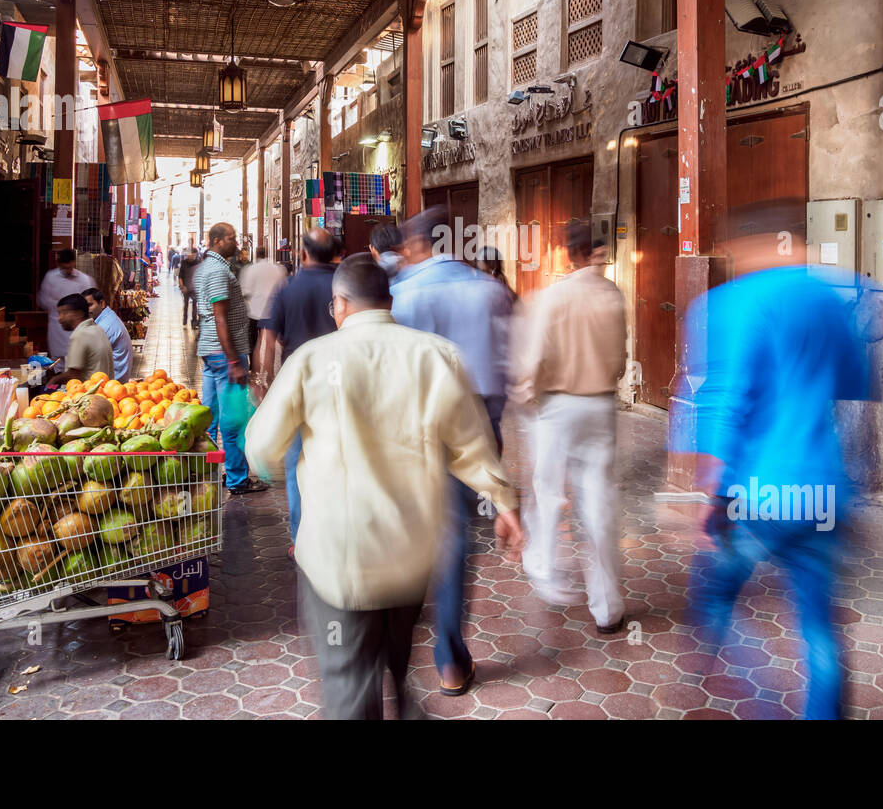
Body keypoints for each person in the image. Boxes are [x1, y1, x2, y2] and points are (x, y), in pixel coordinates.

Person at [245, 254, 524, 720]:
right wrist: (505, 502)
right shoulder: (437, 356)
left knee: (351, 686)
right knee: (399, 658)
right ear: (388, 301)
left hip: (340, 565)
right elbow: (472, 447)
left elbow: (260, 450)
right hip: (410, 559)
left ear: (339, 304)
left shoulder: (311, 360)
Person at [672, 199, 870, 720]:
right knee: (819, 627)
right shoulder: (830, 296)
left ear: (748, 244)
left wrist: (712, 495)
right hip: (822, 487)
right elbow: (857, 382)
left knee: (713, 600)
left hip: (755, 492)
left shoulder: (724, 304)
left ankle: (762, 701)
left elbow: (724, 399)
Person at [390, 207, 513, 697]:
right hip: (474, 427)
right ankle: (449, 661)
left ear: (418, 244)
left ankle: (392, 645)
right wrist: (492, 430)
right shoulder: (491, 292)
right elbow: (502, 369)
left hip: (412, 428)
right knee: (456, 538)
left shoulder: (401, 294)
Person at [513, 218, 628, 635]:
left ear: (569, 252)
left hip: (558, 407)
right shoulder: (612, 295)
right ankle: (607, 608)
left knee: (547, 492)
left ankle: (546, 571)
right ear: (593, 251)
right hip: (601, 405)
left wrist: (528, 397)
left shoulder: (555, 296)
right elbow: (620, 358)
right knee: (599, 504)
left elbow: (536, 358)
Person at [252, 226, 339, 555]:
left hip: (300, 387)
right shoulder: (344, 285)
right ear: (335, 253)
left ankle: (301, 539)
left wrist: (264, 384)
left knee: (297, 462)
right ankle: (336, 535)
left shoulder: (287, 288)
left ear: (302, 254)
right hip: (341, 384)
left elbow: (267, 341)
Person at [194, 223, 267, 496]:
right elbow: (220, 319)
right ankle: (237, 479)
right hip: (224, 355)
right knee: (233, 420)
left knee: (209, 418)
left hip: (213, 353)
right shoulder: (216, 271)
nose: (236, 243)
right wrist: (234, 361)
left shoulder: (209, 267)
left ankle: (209, 474)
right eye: (231, 238)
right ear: (216, 241)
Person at [37, 249, 95, 362]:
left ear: (74, 263)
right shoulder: (51, 277)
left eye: (70, 267)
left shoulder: (84, 280)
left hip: (77, 327)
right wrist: (57, 307)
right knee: (58, 362)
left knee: (77, 359)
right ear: (59, 264)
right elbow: (43, 301)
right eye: (64, 268)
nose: (68, 270)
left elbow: (89, 303)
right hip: (57, 327)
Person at [46, 293, 114, 389]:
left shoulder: (80, 334)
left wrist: (53, 380)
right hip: (104, 391)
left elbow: (73, 374)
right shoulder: (97, 329)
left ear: (80, 313)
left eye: (64, 313)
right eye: (59, 313)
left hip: (88, 393)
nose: (60, 318)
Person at [239, 243, 286, 352]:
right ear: (266, 254)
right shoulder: (277, 269)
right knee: (271, 342)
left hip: (255, 311)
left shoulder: (250, 269)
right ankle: (270, 360)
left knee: (255, 342)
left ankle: (254, 361)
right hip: (272, 311)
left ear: (256, 254)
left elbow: (245, 291)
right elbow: (283, 288)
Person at [84, 287, 132, 381]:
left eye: (90, 305)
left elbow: (89, 359)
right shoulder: (107, 316)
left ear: (102, 303)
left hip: (113, 382)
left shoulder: (104, 326)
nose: (86, 310)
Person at [177, 248, 202, 331]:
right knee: (186, 304)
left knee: (195, 305)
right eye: (190, 254)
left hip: (195, 288)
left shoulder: (198, 263)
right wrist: (182, 286)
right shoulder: (184, 263)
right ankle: (185, 318)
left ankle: (194, 322)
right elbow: (180, 276)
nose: (191, 256)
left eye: (193, 254)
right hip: (186, 287)